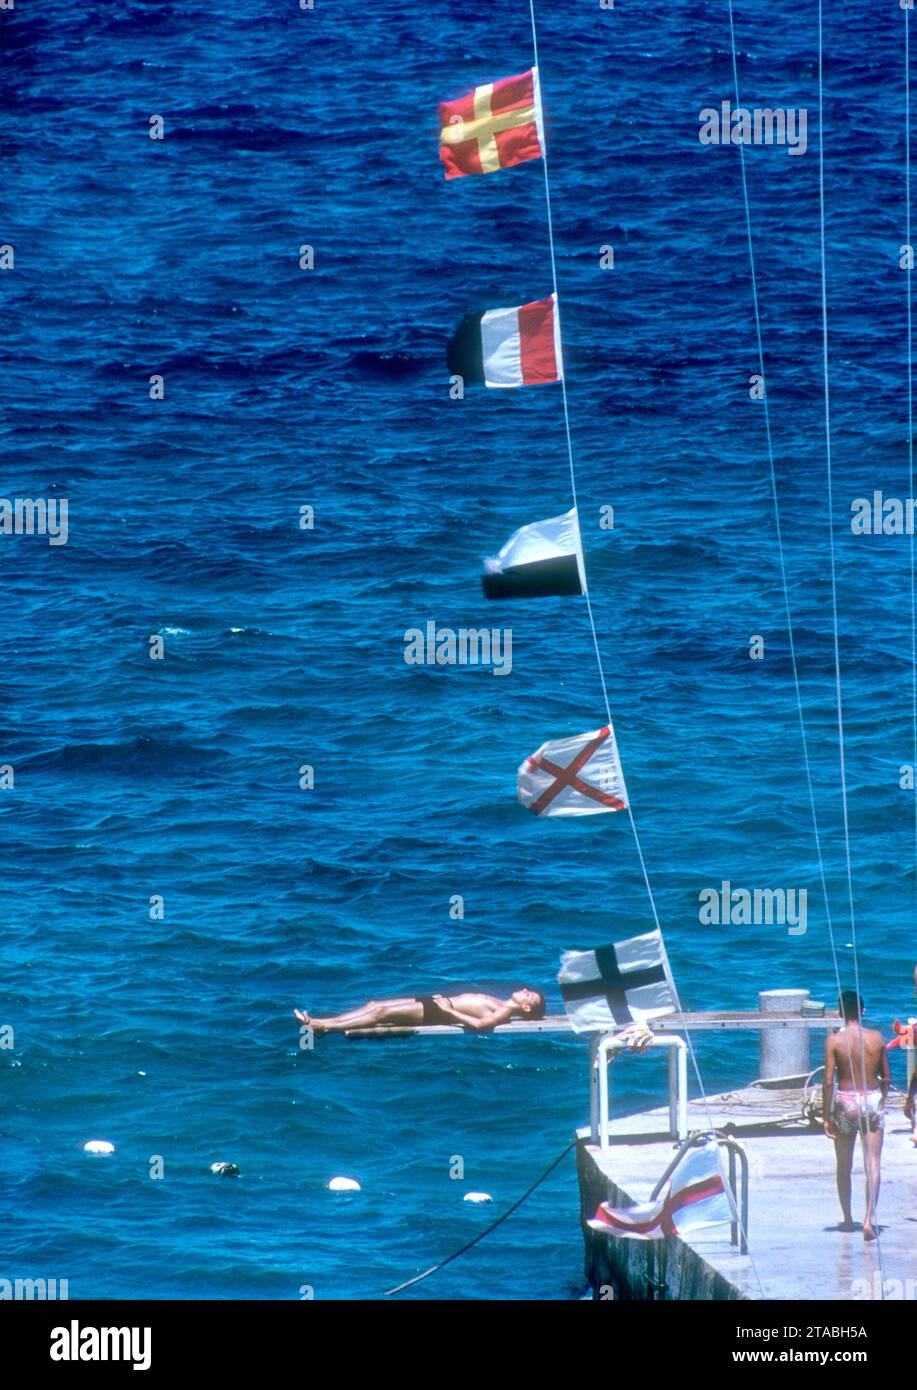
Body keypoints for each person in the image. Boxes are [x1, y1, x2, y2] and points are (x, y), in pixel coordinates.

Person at [822, 990, 889, 1240]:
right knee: (872, 1162)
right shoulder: (877, 1038)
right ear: (863, 1011)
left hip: (846, 1101)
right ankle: (869, 1219)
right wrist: (881, 1100)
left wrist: (826, 1115)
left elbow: (828, 1082)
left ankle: (848, 1219)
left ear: (840, 1012)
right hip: (871, 1098)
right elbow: (887, 1077)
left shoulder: (834, 1041)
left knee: (844, 1165)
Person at [295, 987, 546, 1035]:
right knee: (375, 1006)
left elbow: (482, 1026)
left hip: (437, 1012)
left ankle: (323, 1026)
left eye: (529, 995)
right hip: (438, 1004)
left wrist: (448, 1011)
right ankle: (323, 1022)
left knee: (381, 1013)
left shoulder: (503, 1012)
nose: (525, 990)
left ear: (525, 1008)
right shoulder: (500, 1001)